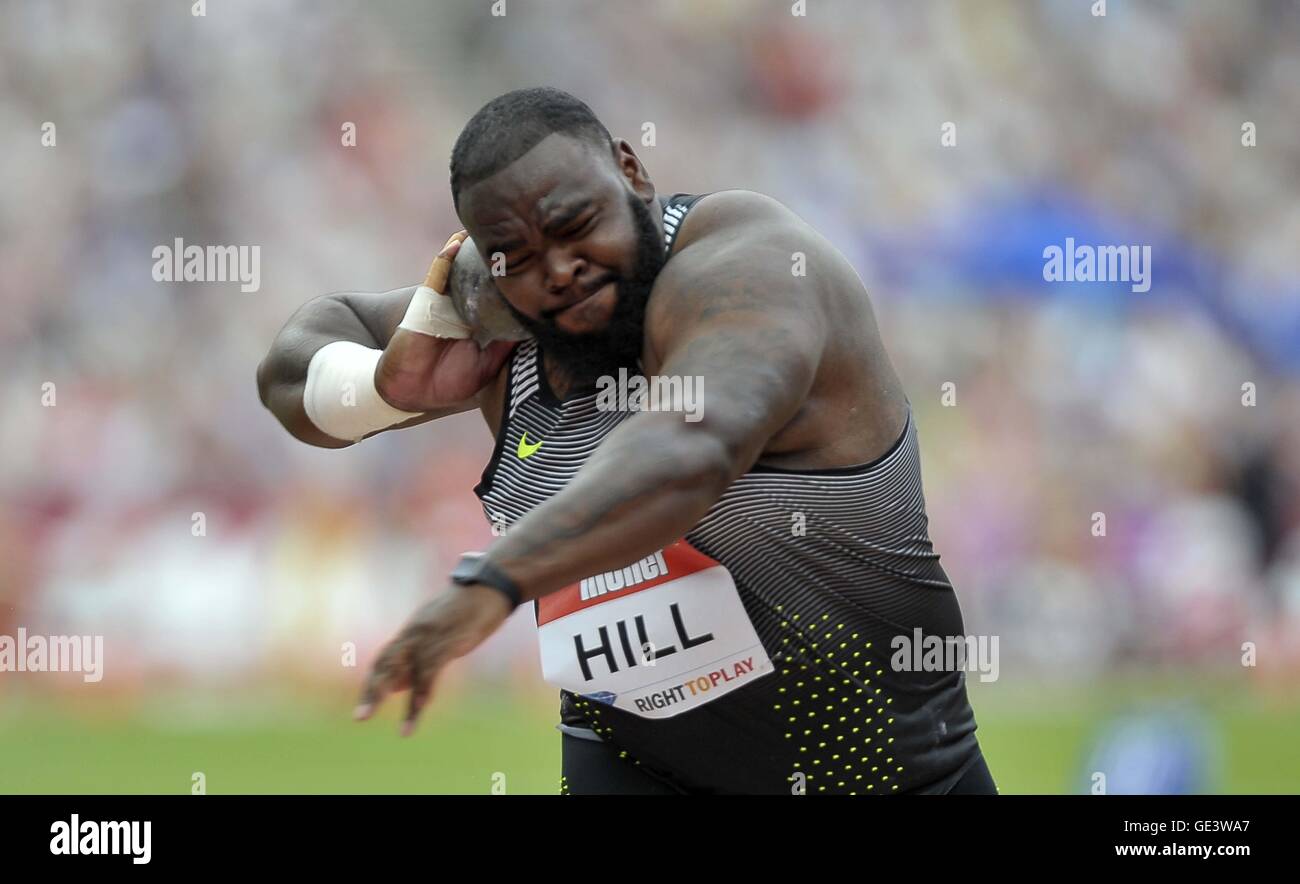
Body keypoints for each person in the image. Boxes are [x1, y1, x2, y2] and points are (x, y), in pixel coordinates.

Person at [257, 86, 996, 795]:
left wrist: (496, 578)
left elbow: (691, 451)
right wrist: (382, 386)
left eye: (578, 225)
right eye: (516, 256)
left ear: (630, 172)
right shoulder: (501, 313)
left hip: (889, 776)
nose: (561, 270)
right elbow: (289, 367)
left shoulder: (752, 267)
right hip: (630, 767)